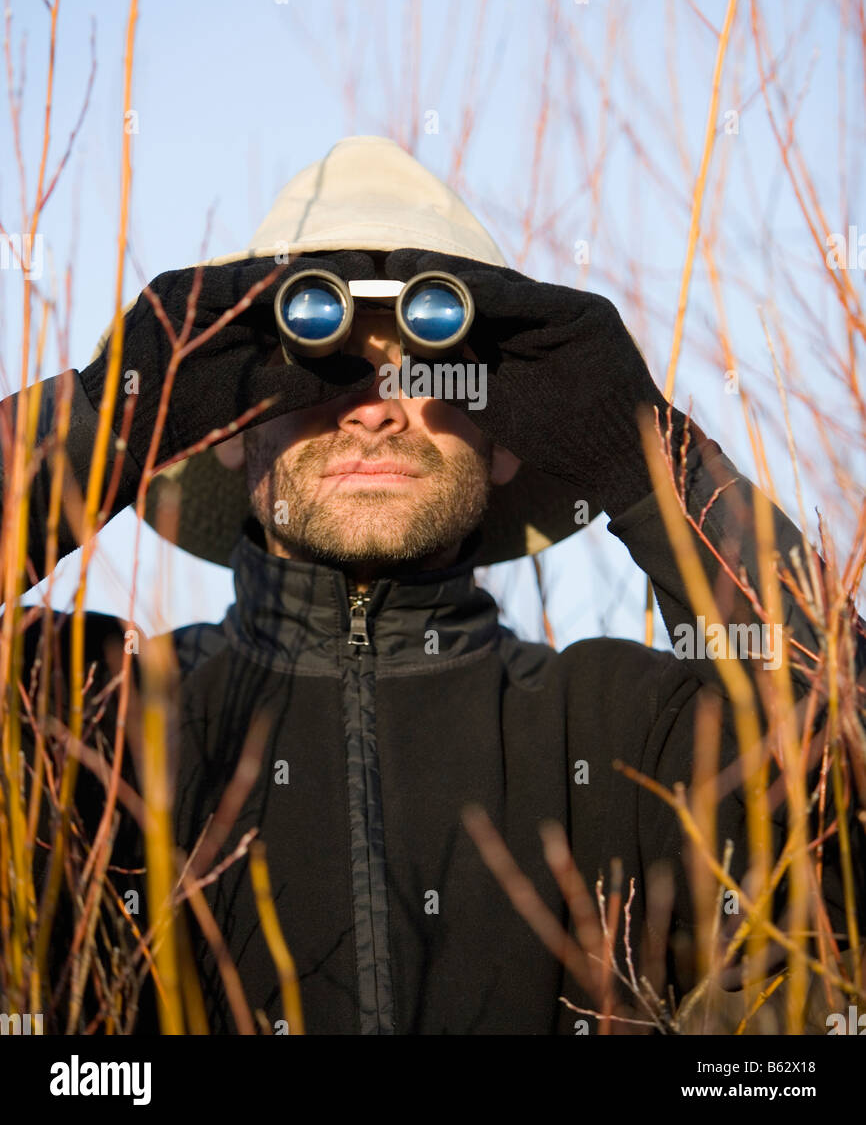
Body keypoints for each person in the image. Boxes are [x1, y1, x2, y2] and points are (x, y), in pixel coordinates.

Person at [2, 135, 863, 1035]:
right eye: (318, 365)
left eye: (426, 363)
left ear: (503, 436)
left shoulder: (628, 735)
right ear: (222, 426)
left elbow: (846, 824)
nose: (374, 404)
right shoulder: (78, 712)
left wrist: (647, 461)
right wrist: (104, 420)